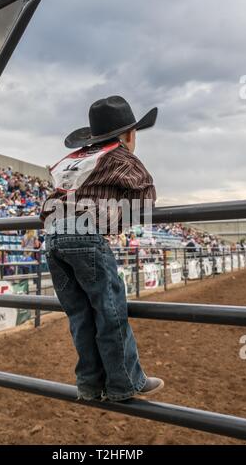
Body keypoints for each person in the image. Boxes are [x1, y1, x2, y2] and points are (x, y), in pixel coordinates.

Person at [41, 95, 164, 402]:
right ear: (130, 135)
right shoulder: (120, 155)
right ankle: (124, 383)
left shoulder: (75, 159)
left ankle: (89, 384)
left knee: (79, 313)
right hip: (85, 236)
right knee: (109, 310)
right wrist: (116, 219)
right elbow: (146, 197)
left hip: (54, 236)